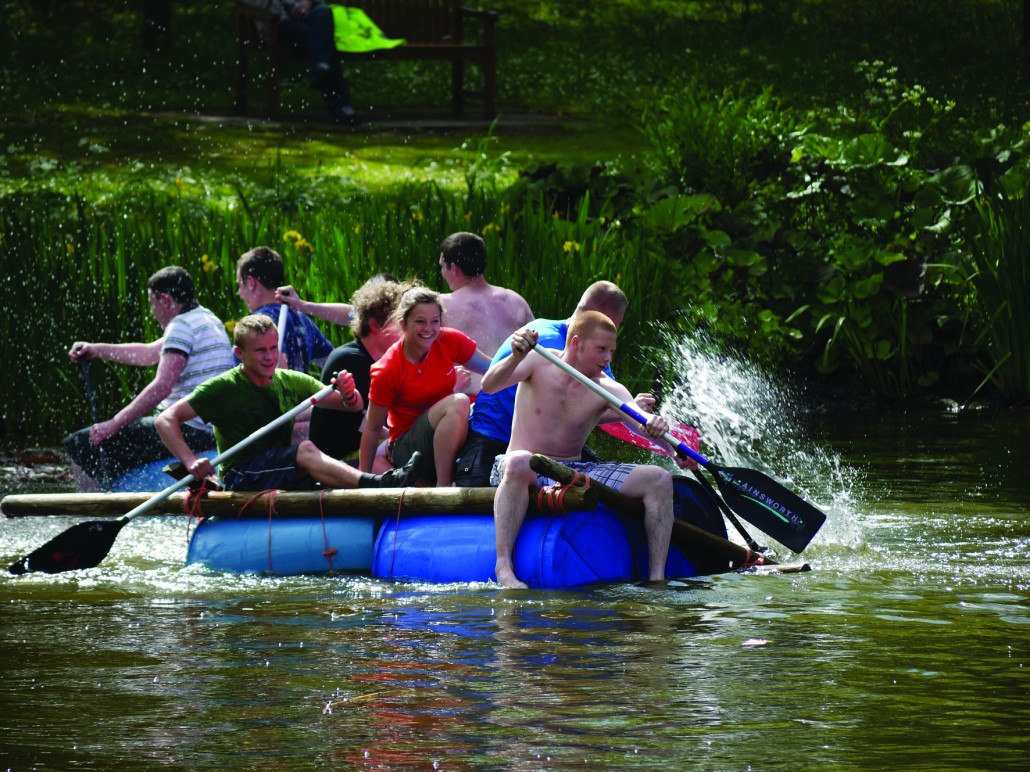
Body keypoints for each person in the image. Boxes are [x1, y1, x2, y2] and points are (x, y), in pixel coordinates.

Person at [482, 312, 691, 589]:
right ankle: (504, 567)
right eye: (601, 349)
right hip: (521, 466)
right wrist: (515, 357)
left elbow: (640, 421)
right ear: (576, 343)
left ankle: (656, 579)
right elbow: (489, 385)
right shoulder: (538, 360)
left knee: (659, 479)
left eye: (611, 351)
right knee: (520, 460)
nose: (608, 359)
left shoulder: (607, 387)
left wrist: (669, 443)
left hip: (572, 469)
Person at [155, 314, 419, 491]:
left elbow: (350, 405)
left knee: (369, 463)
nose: (270, 357)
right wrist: (190, 461)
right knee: (305, 449)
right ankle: (372, 486)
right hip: (241, 474)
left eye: (273, 348)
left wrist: (349, 393)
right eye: (260, 350)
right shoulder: (222, 387)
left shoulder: (289, 380)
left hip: (281, 468)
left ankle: (386, 484)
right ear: (239, 353)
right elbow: (165, 419)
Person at [455, 280, 640, 486]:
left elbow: (591, 407)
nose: (614, 331)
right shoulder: (551, 344)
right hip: (495, 438)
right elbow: (568, 407)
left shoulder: (595, 353)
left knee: (606, 490)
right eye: (616, 323)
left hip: (547, 448)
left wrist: (630, 410)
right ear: (599, 317)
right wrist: (624, 412)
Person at [63, 266, 234, 489]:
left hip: (187, 430)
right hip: (208, 430)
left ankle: (91, 504)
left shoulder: (181, 326)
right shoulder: (207, 319)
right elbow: (149, 353)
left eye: (153, 303)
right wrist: (96, 350)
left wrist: (113, 424)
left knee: (79, 444)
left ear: (165, 300)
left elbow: (162, 386)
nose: (153, 312)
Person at [359, 286, 491, 487]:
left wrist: (524, 362)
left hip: (445, 436)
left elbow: (494, 369)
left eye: (435, 321)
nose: (428, 329)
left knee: (484, 409)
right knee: (459, 403)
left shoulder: (449, 340)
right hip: (407, 449)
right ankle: (443, 486)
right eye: (420, 322)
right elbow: (373, 428)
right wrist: (361, 480)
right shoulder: (387, 369)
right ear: (403, 324)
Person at [308, 275, 403, 463]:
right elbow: (373, 426)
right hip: (340, 460)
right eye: (399, 322)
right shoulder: (349, 361)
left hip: (367, 450)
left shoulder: (386, 360)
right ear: (375, 325)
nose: (406, 329)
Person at [437, 232, 534, 393]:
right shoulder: (515, 300)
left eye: (442, 267)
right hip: (513, 396)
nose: (442, 273)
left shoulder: (442, 305)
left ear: (453, 268)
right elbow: (539, 346)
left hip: (474, 397)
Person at [239, 0, 358, 125]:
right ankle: (341, 105)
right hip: (278, 25)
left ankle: (322, 67)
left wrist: (306, 3)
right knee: (322, 41)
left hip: (303, 17)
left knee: (323, 11)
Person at [236, 246, 333, 373]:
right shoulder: (302, 319)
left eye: (240, 285)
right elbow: (333, 362)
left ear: (250, 283)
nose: (239, 293)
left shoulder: (257, 325)